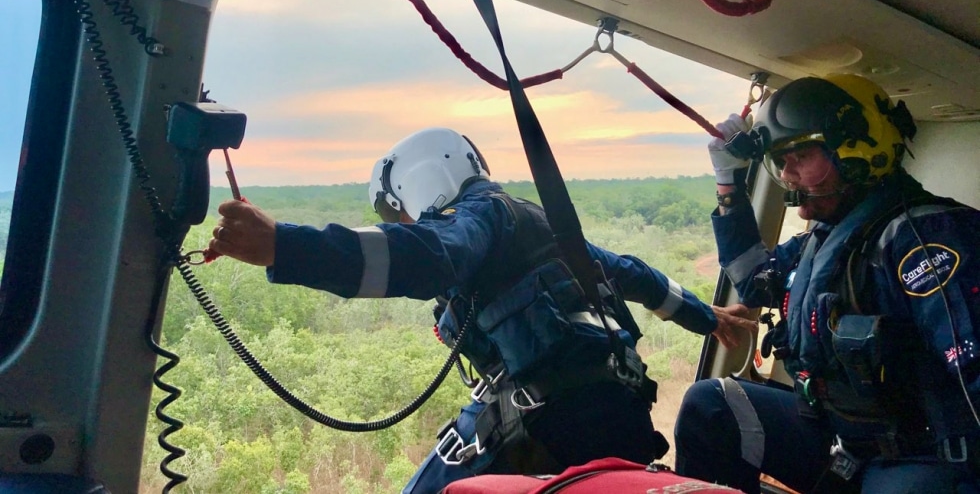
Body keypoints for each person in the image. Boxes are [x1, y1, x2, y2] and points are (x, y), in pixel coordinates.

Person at [209, 127, 757, 494]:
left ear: (420, 185)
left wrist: (286, 247)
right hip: (621, 415)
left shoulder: (479, 216)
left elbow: (429, 258)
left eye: (401, 212)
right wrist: (710, 319)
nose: (407, 224)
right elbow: (632, 273)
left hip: (549, 422)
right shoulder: (534, 222)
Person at [673, 73, 980, 493]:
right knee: (710, 405)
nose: (788, 173)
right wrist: (729, 186)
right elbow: (753, 283)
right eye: (781, 160)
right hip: (840, 438)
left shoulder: (928, 239)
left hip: (924, 456)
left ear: (857, 147)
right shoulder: (823, 240)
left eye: (799, 154)